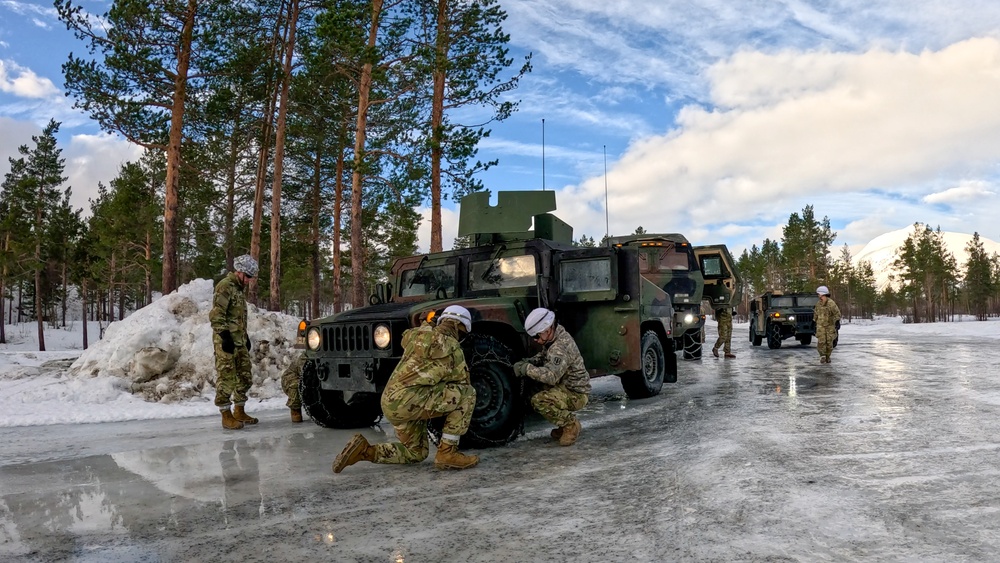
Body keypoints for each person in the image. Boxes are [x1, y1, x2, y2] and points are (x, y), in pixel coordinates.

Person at [333, 305, 479, 473]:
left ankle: (365, 451)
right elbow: (462, 384)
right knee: (467, 395)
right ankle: (447, 453)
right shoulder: (453, 348)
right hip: (410, 401)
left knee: (416, 453)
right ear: (461, 328)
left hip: (390, 402)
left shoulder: (416, 336)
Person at [512, 307, 591, 446]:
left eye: (536, 336)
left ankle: (570, 424)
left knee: (540, 400)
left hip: (575, 393)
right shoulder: (553, 337)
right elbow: (544, 356)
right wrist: (531, 361)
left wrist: (527, 368)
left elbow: (551, 376)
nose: (535, 340)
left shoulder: (560, 347)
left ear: (547, 330)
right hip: (565, 386)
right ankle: (563, 424)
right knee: (533, 391)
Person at [210, 254, 259, 430]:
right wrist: (224, 336)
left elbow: (238, 318)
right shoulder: (225, 287)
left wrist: (244, 338)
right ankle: (226, 415)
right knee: (227, 378)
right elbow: (217, 315)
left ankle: (239, 410)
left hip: (239, 340)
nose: (249, 281)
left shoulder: (238, 290)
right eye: (248, 277)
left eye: (251, 278)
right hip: (226, 341)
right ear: (239, 272)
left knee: (245, 377)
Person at [814, 285, 841, 364]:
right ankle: (822, 356)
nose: (818, 296)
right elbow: (816, 313)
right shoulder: (818, 304)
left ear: (823, 294)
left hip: (830, 326)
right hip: (820, 326)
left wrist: (837, 322)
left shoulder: (831, 304)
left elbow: (837, 313)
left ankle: (828, 356)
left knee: (829, 343)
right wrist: (814, 321)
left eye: (819, 294)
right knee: (821, 342)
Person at [280, 352, 305, 423]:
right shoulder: (306, 357)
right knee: (297, 385)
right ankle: (295, 409)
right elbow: (304, 374)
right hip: (291, 379)